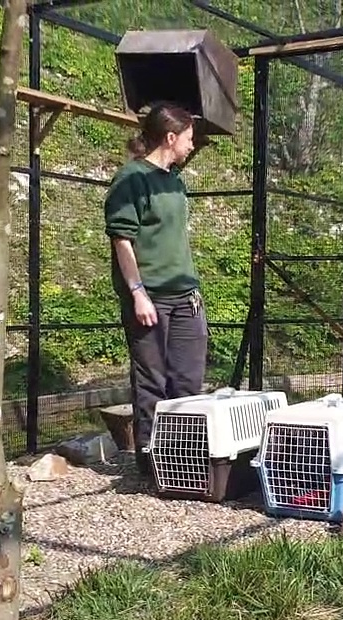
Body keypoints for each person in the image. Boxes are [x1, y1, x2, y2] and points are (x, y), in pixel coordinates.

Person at [104, 102, 208, 477]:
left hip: (186, 295)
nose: (192, 145)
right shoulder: (131, 178)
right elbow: (122, 241)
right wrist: (137, 292)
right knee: (152, 379)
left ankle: (187, 457)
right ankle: (151, 460)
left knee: (188, 378)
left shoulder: (174, 179)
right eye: (188, 138)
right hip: (150, 298)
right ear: (170, 137)